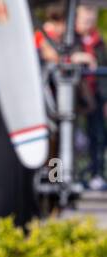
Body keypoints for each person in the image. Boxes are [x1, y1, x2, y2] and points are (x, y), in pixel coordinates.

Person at [74, 4, 106, 190]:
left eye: (91, 20)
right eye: (85, 20)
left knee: (98, 136)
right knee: (64, 140)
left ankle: (97, 174)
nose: (89, 24)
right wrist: (78, 58)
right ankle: (59, 177)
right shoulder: (69, 40)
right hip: (72, 97)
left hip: (95, 96)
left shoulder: (98, 41)